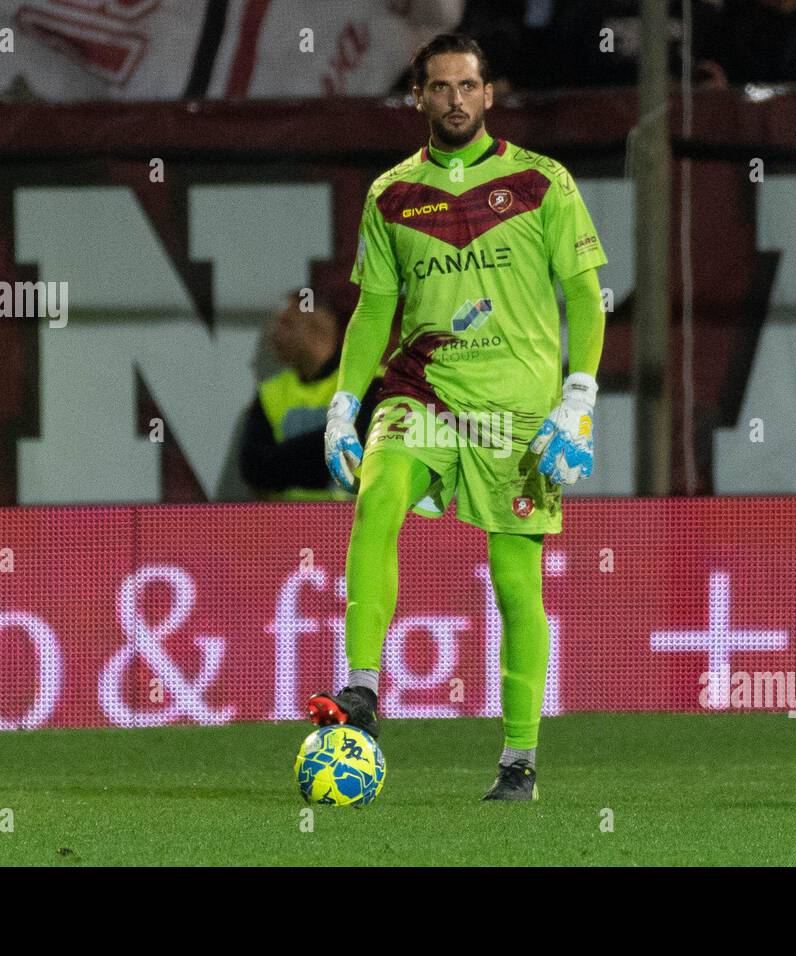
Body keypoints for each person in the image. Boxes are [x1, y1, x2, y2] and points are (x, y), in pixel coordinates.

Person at [307, 34, 607, 801]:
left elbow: (583, 294)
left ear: (488, 93)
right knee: (377, 497)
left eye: (467, 85)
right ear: (418, 97)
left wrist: (579, 398)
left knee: (515, 581)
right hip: (425, 395)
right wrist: (345, 404)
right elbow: (375, 310)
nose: (454, 99)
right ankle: (364, 687)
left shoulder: (543, 182)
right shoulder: (391, 196)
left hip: (518, 410)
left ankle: (518, 761)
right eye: (439, 87)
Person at [239, 291, 378, 500]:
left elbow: (364, 448)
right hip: (289, 527)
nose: (274, 334)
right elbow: (253, 468)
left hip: (354, 523)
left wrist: (280, 461)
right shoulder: (271, 392)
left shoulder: (370, 381)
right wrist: (325, 453)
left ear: (316, 330)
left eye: (287, 324)